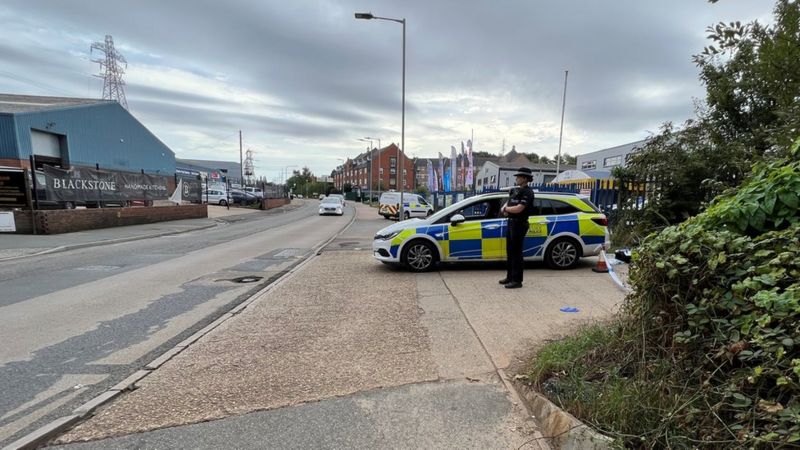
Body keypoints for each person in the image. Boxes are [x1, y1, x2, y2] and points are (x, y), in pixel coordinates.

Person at [499, 167, 535, 289]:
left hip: (520, 224)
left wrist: (506, 209)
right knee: (510, 252)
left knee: (516, 253)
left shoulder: (528, 192)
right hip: (511, 222)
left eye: (518, 177)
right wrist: (506, 209)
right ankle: (510, 277)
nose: (516, 178)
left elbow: (519, 208)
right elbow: (508, 203)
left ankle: (517, 280)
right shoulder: (516, 191)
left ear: (525, 178)